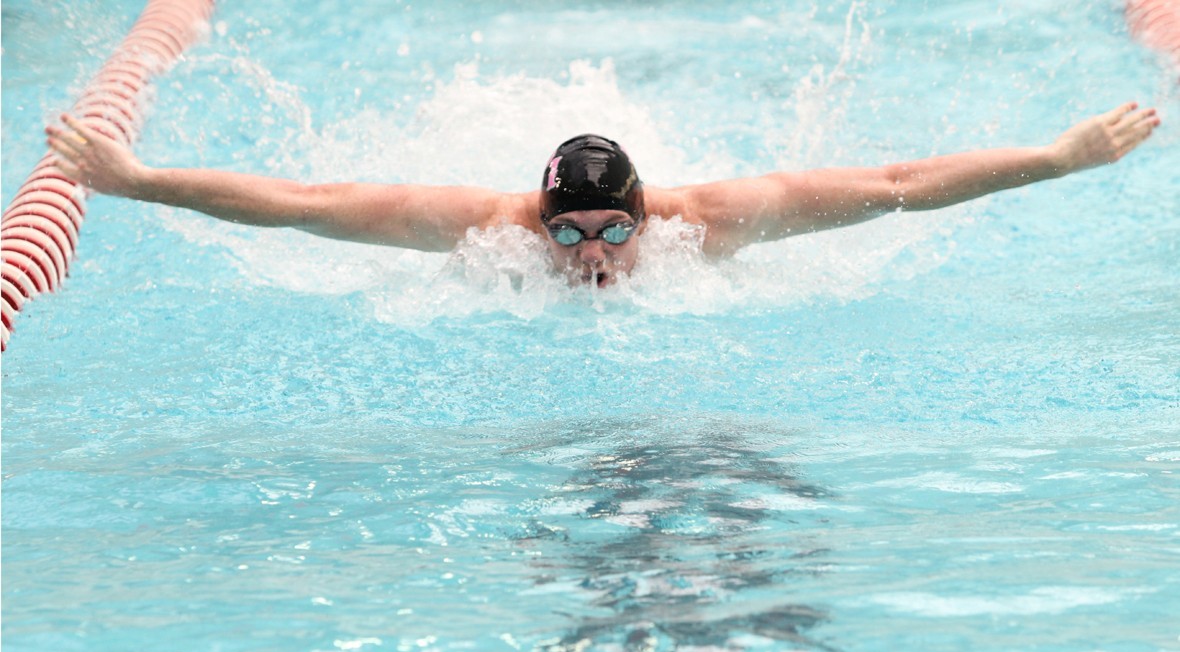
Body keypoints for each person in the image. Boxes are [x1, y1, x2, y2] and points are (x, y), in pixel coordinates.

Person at [46, 102, 1159, 288]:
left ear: (647, 213)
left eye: (611, 229)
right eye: (568, 232)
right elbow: (302, 200)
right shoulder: (487, 230)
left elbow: (896, 187)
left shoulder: (707, 220)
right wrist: (137, 183)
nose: (590, 257)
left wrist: (1058, 160)